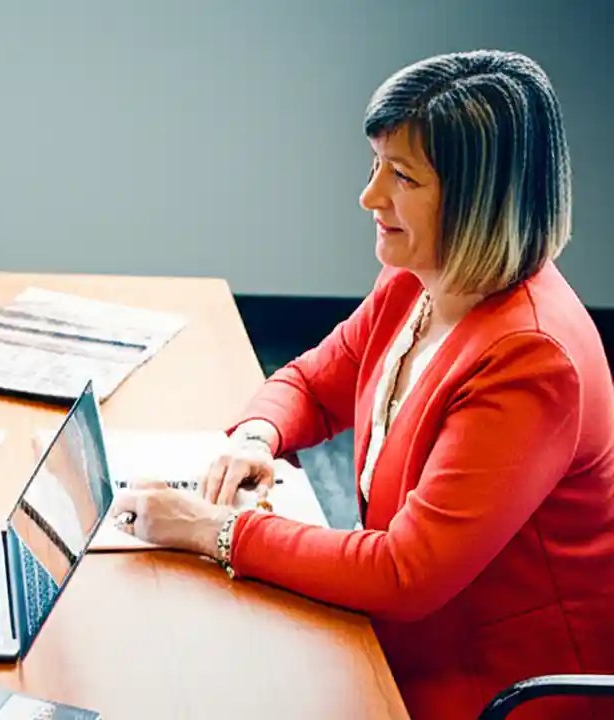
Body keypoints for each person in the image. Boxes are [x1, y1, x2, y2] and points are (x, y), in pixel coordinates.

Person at [111, 50, 613, 720]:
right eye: (375, 165)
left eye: (401, 176)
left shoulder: (532, 358)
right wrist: (257, 437)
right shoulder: (420, 279)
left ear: (480, 202)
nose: (369, 196)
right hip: (400, 637)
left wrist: (213, 531)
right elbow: (314, 384)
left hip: (488, 691)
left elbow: (403, 574)